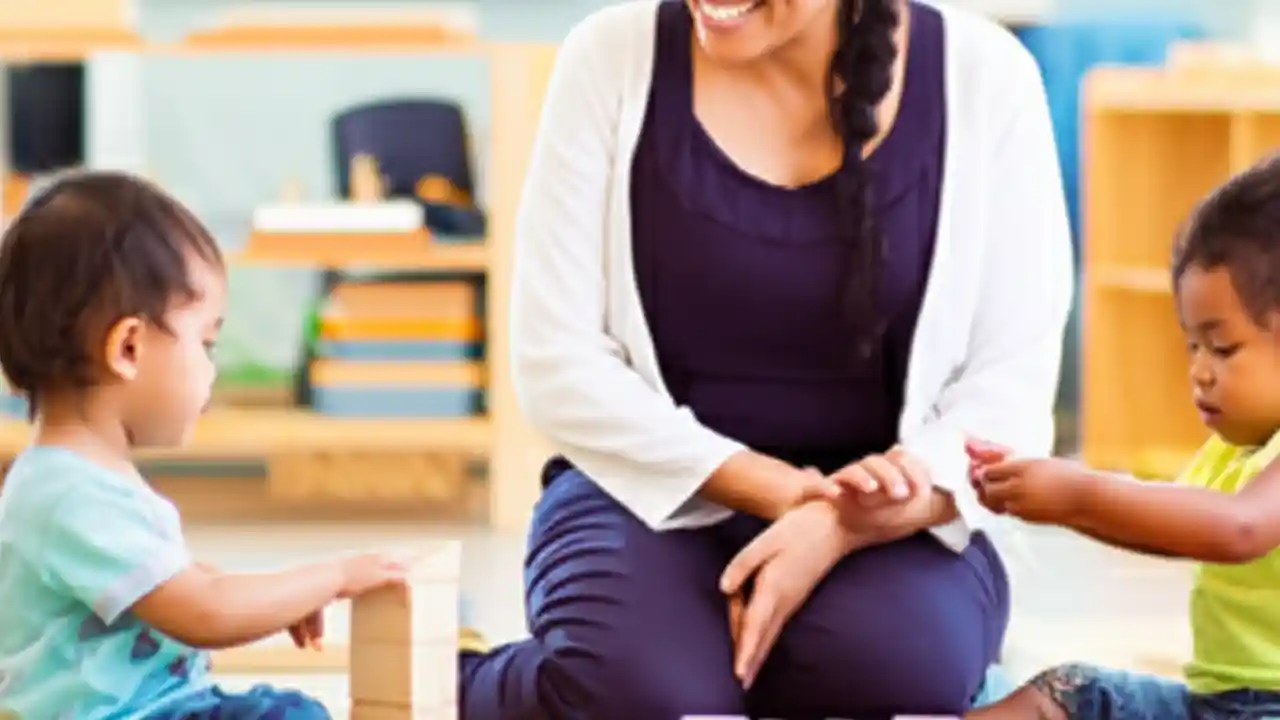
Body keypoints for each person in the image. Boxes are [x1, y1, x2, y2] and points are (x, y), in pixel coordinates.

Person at [461, 0, 1073, 717]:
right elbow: (556, 363)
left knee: (887, 676)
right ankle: (461, 677)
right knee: (649, 697)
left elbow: (1014, 387)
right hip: (646, 494)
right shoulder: (608, 58)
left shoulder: (988, 78)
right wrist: (784, 492)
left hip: (892, 515)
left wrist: (845, 520)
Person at [0, 172, 408, 719]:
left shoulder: (78, 476)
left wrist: (286, 593)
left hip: (165, 707)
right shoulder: (67, 494)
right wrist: (332, 578)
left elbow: (183, 579)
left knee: (285, 709)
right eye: (205, 342)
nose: (211, 369)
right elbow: (204, 611)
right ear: (128, 347)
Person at [966, 154, 1280, 720]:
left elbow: (1241, 529)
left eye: (1224, 348)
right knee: (1062, 692)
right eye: (1193, 347)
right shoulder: (1238, 450)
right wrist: (1051, 501)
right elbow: (1179, 532)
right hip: (1220, 706)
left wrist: (1078, 492)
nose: (1201, 372)